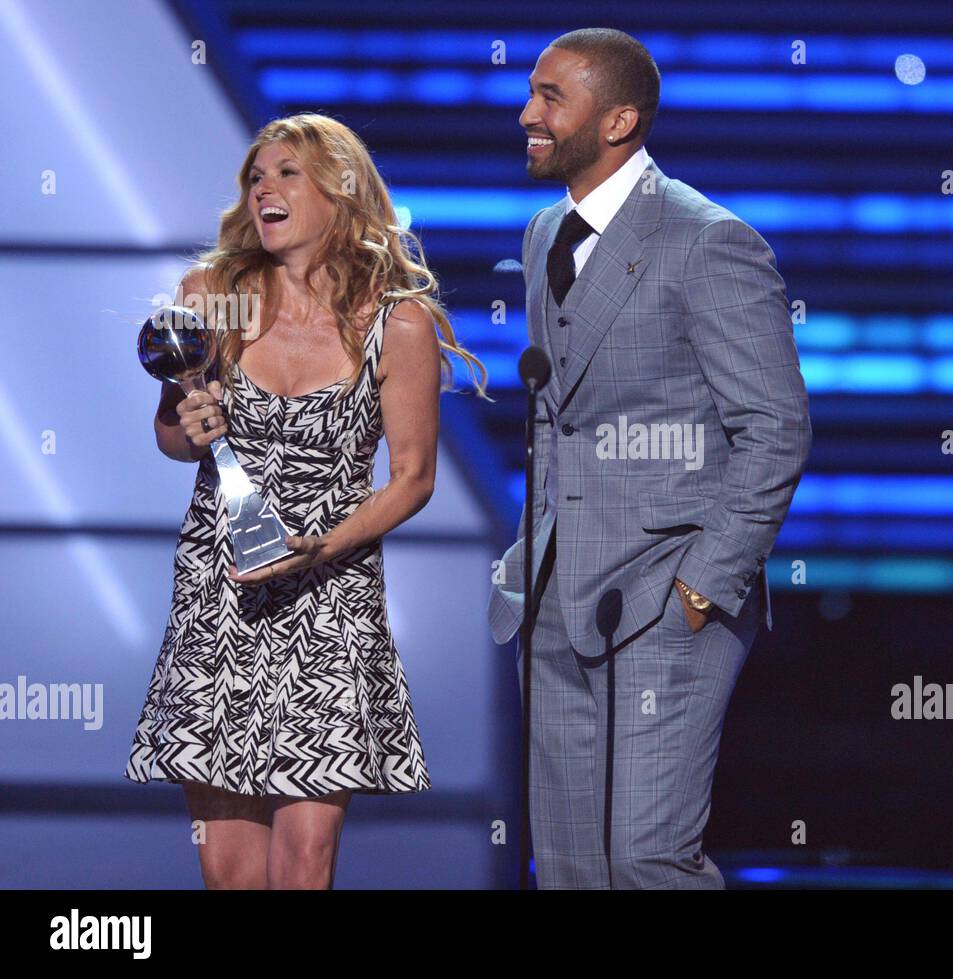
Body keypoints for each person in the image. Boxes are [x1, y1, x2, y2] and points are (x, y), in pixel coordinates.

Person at [124, 113, 486, 889]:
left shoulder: (399, 321)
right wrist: (188, 425)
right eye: (257, 177)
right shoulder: (210, 296)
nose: (265, 190)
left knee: (305, 862)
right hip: (221, 591)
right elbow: (172, 434)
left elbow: (413, 476)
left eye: (288, 174)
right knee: (229, 872)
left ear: (340, 191)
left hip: (330, 597)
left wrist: (319, 546)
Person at [489, 29, 812, 889]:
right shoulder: (542, 233)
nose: (528, 113)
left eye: (552, 97)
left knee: (644, 859)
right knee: (566, 864)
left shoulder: (708, 241)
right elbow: (563, 416)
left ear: (621, 118)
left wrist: (705, 584)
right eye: (531, 92)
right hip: (557, 592)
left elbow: (776, 426)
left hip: (669, 596)